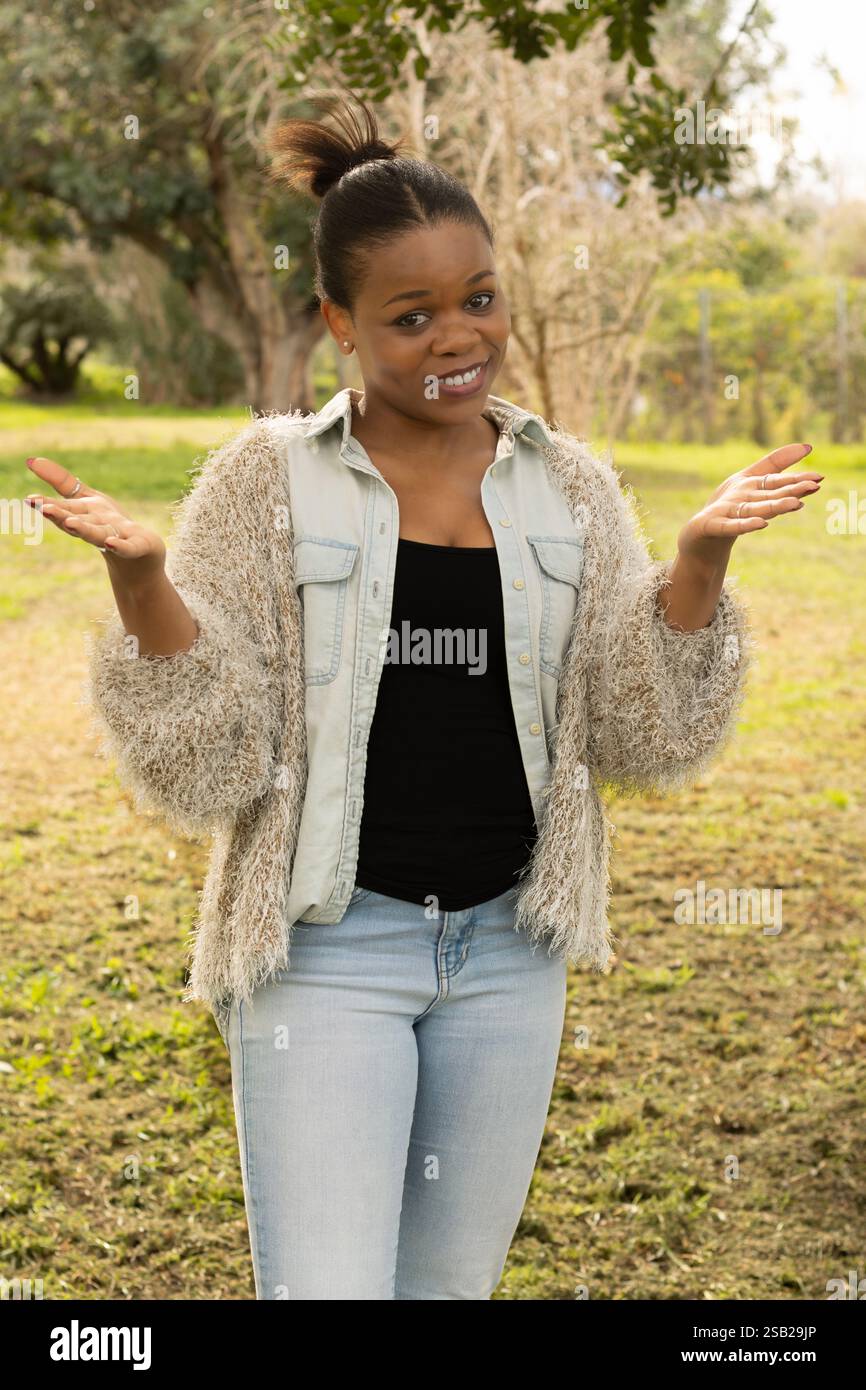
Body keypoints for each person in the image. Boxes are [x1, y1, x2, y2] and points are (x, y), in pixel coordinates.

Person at [25, 95, 822, 1300]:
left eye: (479, 299)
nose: (458, 337)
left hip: (510, 954)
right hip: (324, 954)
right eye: (412, 317)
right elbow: (212, 766)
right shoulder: (266, 482)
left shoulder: (571, 489)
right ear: (338, 323)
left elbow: (641, 734)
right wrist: (145, 587)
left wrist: (697, 562)